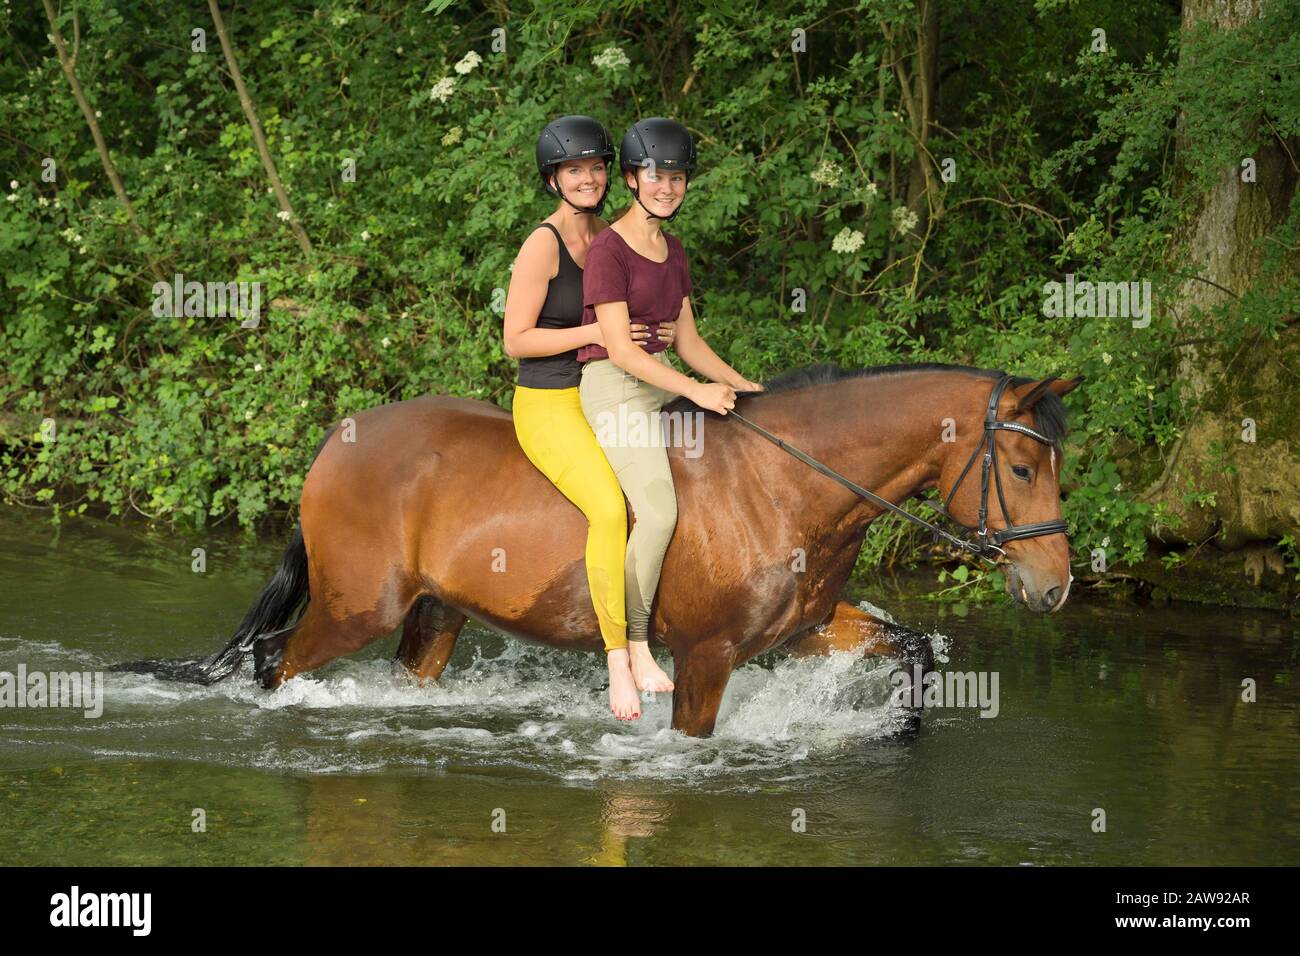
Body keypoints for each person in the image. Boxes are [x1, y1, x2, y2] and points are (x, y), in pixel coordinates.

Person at [578, 117, 763, 692]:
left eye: (678, 177)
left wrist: (746, 386)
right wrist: (695, 390)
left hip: (659, 379)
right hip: (613, 387)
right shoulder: (609, 250)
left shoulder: (673, 248)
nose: (668, 186)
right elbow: (619, 350)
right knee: (657, 511)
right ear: (632, 179)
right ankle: (635, 647)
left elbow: (688, 343)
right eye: (656, 175)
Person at [503, 116, 677, 721]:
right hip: (549, 402)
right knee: (607, 509)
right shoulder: (542, 244)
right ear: (553, 180)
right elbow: (515, 340)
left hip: (608, 391)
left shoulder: (610, 237)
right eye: (573, 170)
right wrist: (596, 330)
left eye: (596, 168)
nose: (587, 179)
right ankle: (619, 663)